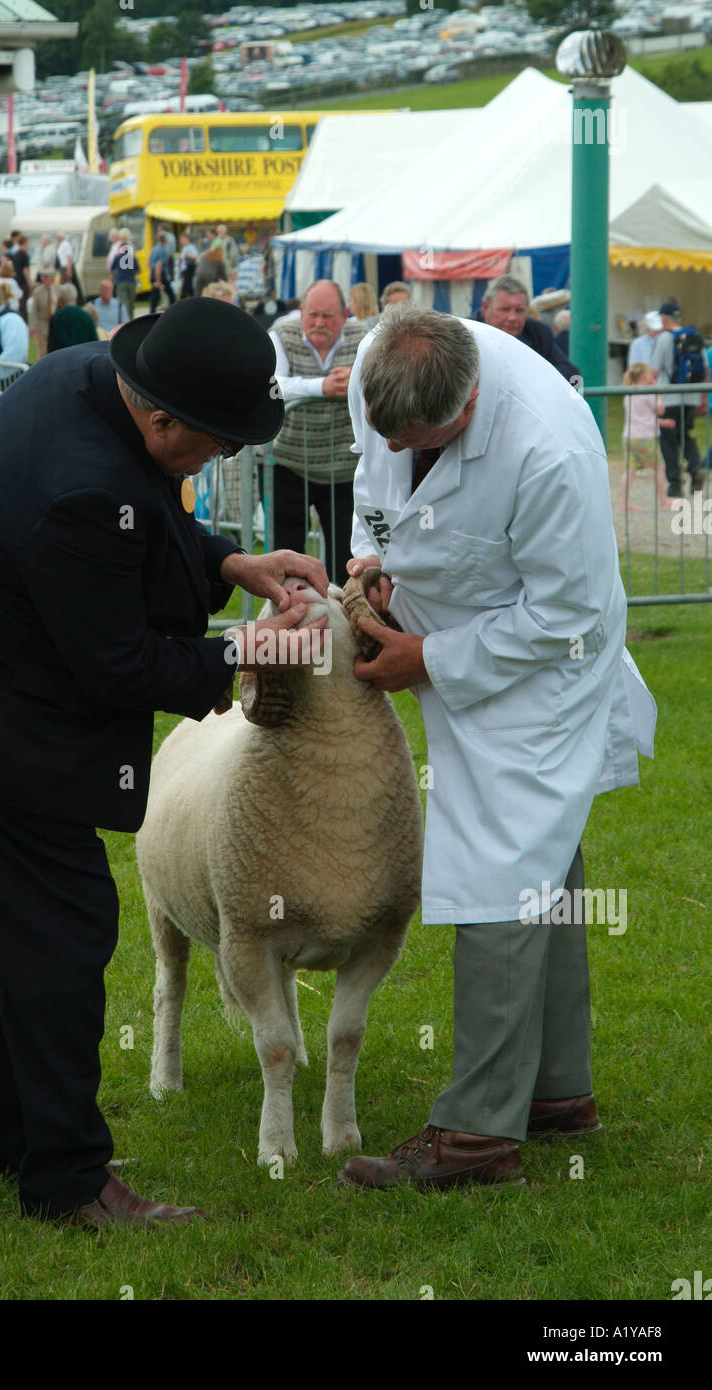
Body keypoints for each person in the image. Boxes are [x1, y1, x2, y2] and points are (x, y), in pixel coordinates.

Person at [0, 296, 328, 1229]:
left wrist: (228, 562)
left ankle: (9, 1139)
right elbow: (117, 664)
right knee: (60, 928)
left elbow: (145, 529)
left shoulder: (88, 382)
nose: (223, 458)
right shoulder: (80, 484)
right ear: (159, 414)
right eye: (217, 441)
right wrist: (246, 650)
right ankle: (68, 1181)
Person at [335, 304, 656, 1194]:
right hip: (460, 625)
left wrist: (426, 659)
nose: (402, 452)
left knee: (501, 867)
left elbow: (569, 615)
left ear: (468, 405)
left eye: (425, 441)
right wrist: (374, 565)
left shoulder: (550, 450)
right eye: (392, 435)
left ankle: (477, 1137)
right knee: (542, 861)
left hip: (541, 667)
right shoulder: (381, 361)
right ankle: (553, 1093)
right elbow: (374, 490)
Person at [269, 279, 366, 578]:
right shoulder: (281, 335)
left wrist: (360, 376)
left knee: (346, 562)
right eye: (312, 315)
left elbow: (386, 376)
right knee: (287, 561)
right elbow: (271, 384)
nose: (319, 323)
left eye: (328, 316)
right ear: (301, 311)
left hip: (345, 468)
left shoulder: (365, 339)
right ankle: (287, 621)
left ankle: (340, 621)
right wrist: (321, 387)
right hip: (289, 464)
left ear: (346, 314)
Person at [649, 299, 709, 498]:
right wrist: (702, 396)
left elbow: (654, 371)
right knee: (685, 435)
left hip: (670, 397)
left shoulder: (665, 338)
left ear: (664, 318)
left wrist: (649, 395)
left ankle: (675, 483)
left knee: (668, 439)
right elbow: (706, 370)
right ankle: (695, 468)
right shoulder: (694, 336)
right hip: (691, 396)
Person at [476, 273, 579, 383]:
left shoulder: (537, 331)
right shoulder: (466, 332)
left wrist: (531, 376)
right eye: (505, 309)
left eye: (520, 310)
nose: (512, 318)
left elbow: (571, 373)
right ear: (486, 307)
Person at [620, 361, 673, 513]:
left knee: (629, 470)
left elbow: (642, 416)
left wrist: (662, 423)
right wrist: (657, 394)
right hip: (646, 438)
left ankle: (624, 504)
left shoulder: (629, 394)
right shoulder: (648, 393)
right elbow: (660, 409)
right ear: (645, 377)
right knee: (659, 467)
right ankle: (663, 500)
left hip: (630, 437)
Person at [47, 283, 99, 352]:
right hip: (83, 357)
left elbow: (52, 346)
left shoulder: (57, 318)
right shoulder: (86, 316)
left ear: (61, 299)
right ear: (75, 297)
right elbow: (94, 342)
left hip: (63, 358)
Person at [27, 270, 61, 361]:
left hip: (55, 323)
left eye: (46, 277)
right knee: (42, 351)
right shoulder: (38, 292)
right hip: (42, 323)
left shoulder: (58, 290)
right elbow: (33, 310)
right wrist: (31, 327)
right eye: (42, 277)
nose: (43, 279)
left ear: (52, 278)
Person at [110, 226, 139, 321]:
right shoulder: (132, 257)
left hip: (121, 281)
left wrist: (114, 275)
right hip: (131, 281)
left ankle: (125, 321)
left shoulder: (117, 257)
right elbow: (138, 269)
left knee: (123, 302)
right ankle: (131, 320)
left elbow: (112, 268)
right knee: (131, 303)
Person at [148, 232, 176, 314]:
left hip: (154, 274)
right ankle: (174, 309)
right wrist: (158, 280)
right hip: (160, 274)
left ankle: (152, 311)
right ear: (165, 241)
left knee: (155, 296)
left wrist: (153, 273)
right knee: (170, 294)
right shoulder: (162, 251)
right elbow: (159, 266)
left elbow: (148, 262)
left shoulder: (155, 248)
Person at [11, 234, 31, 315]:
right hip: (22, 281)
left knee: (18, 301)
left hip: (16, 279)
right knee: (24, 301)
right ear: (25, 243)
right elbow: (25, 269)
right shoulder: (24, 254)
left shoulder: (15, 254)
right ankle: (24, 317)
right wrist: (29, 281)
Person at [178, 231, 198, 299]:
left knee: (185, 286)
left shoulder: (191, 247)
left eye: (182, 239)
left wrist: (188, 255)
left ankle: (182, 299)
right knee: (189, 287)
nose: (181, 240)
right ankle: (193, 299)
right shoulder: (185, 247)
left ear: (186, 238)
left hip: (189, 268)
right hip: (185, 269)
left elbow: (195, 257)